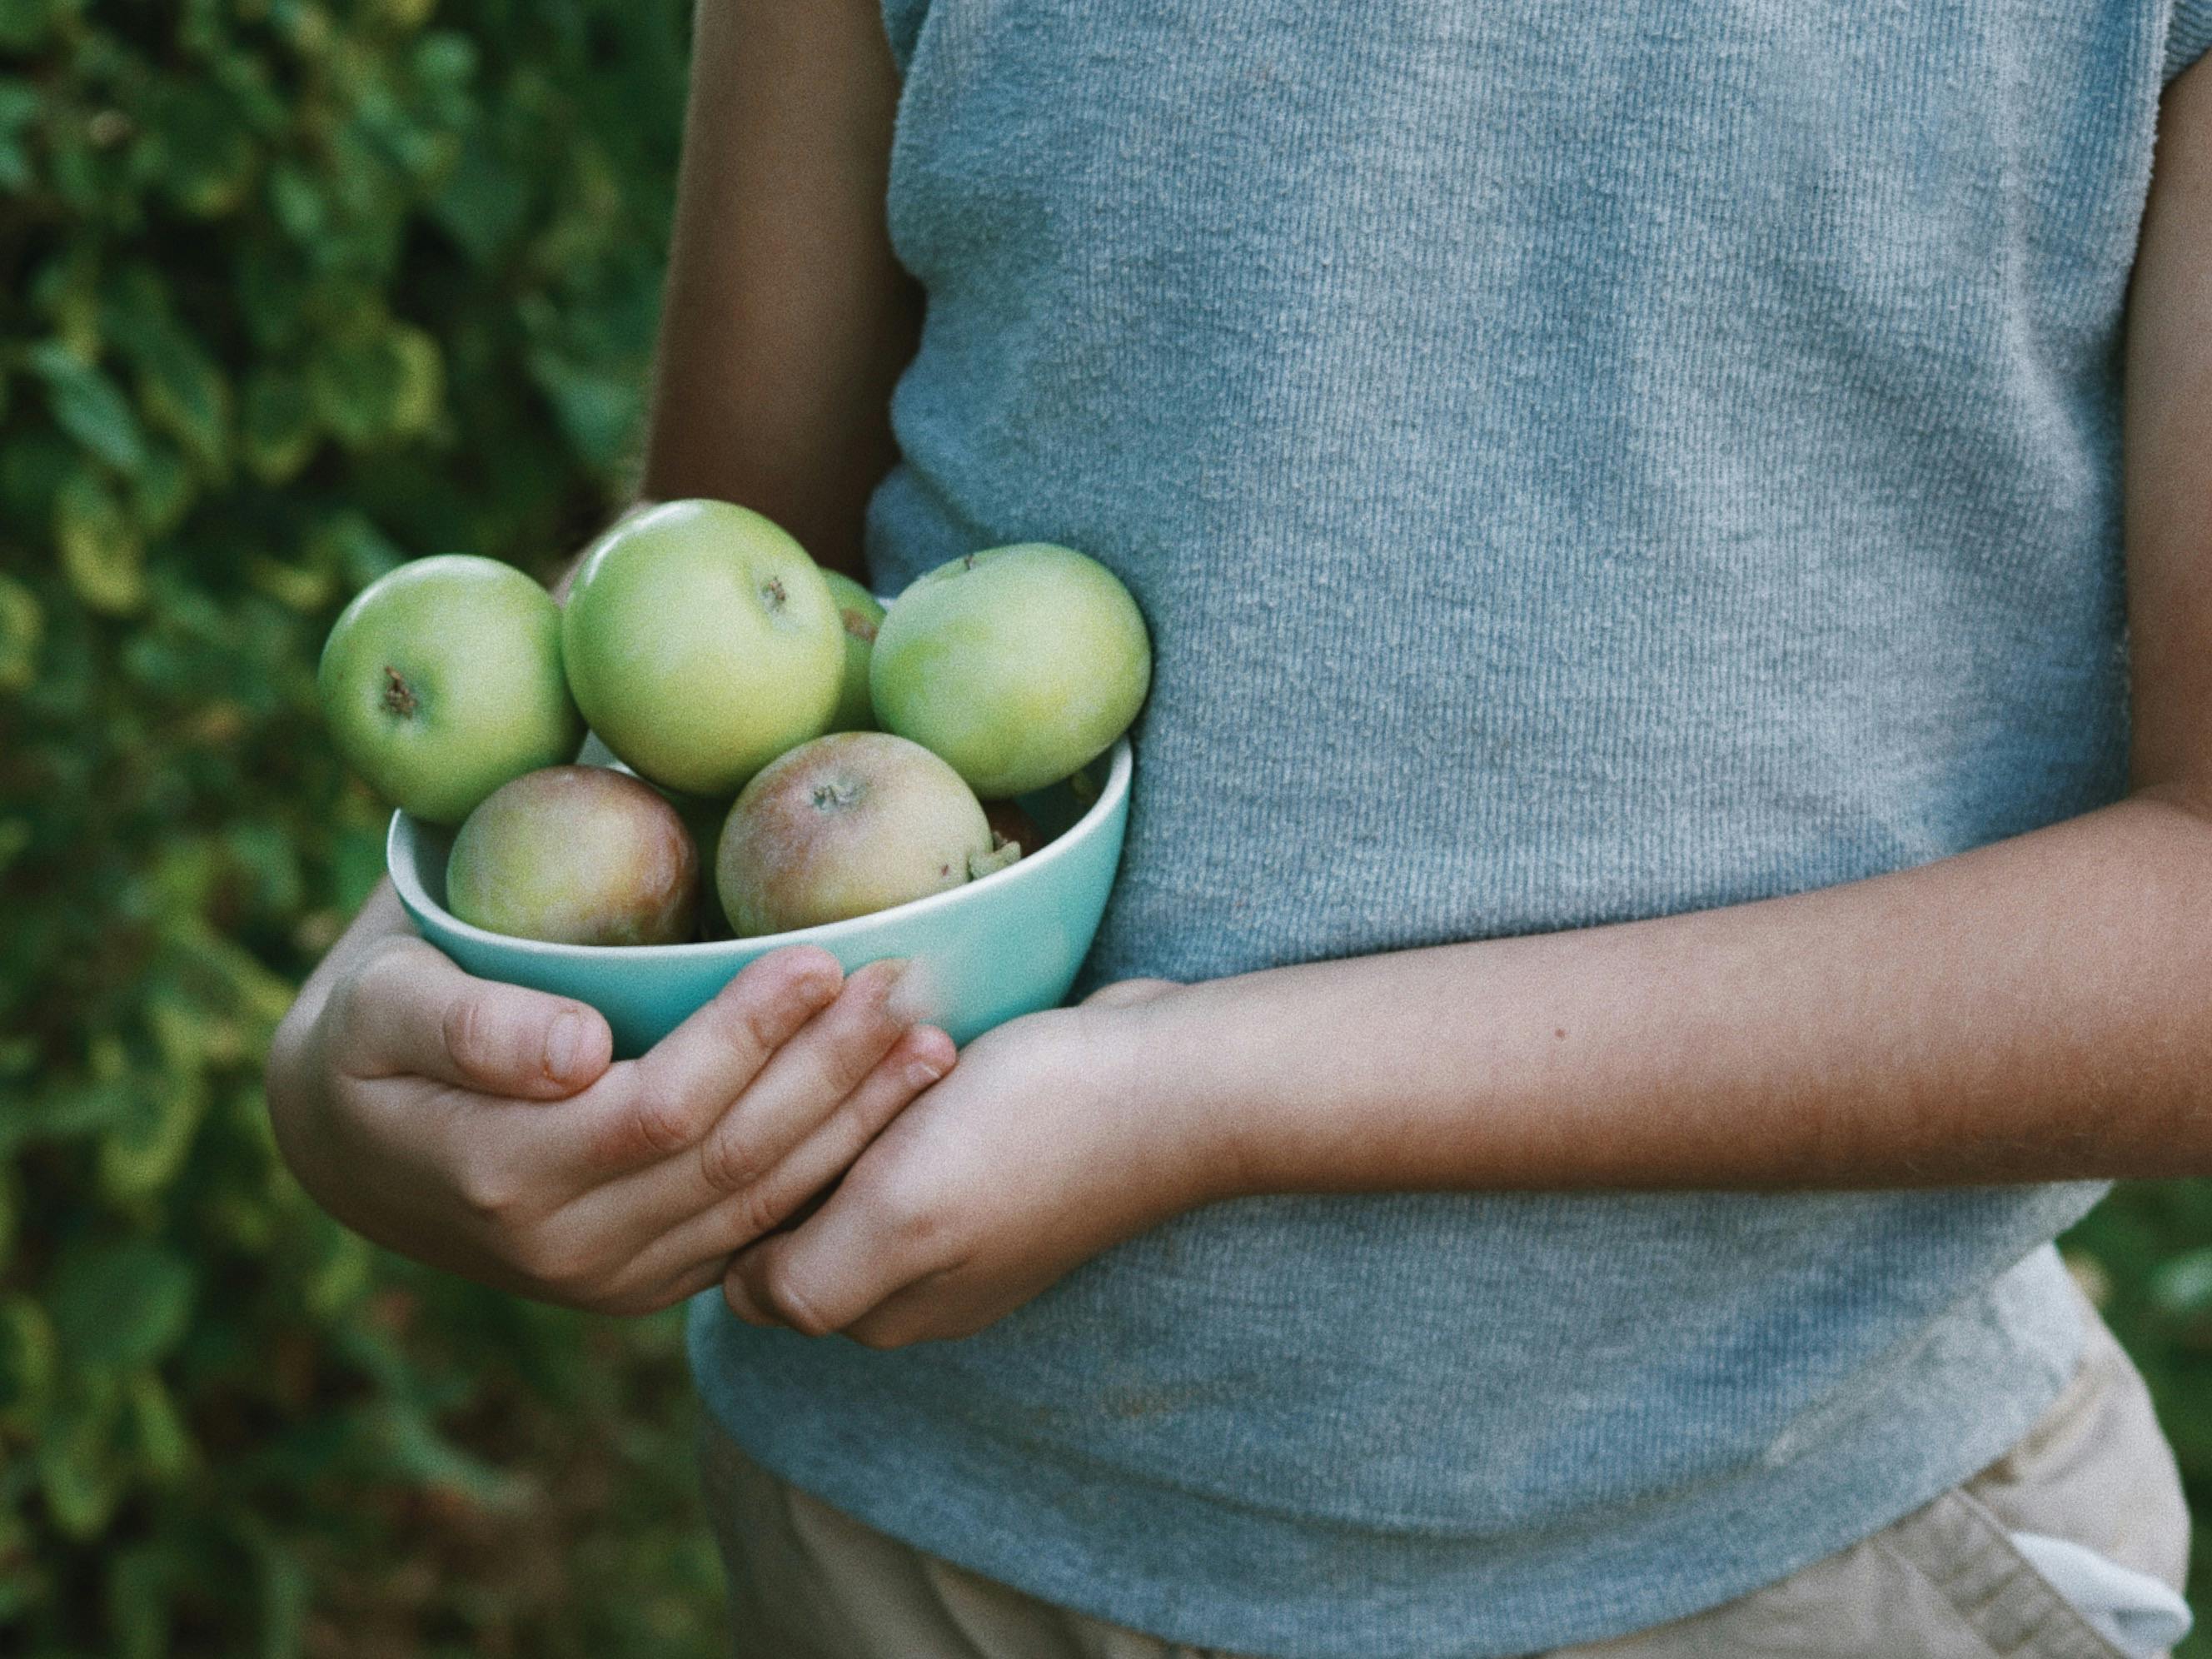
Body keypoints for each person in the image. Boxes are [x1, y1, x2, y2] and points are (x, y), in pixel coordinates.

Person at [266, 1, 2212, 1654]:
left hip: (1773, 1552)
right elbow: (737, 624)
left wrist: (1203, 1099)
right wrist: (441, 976)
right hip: (904, 1536)